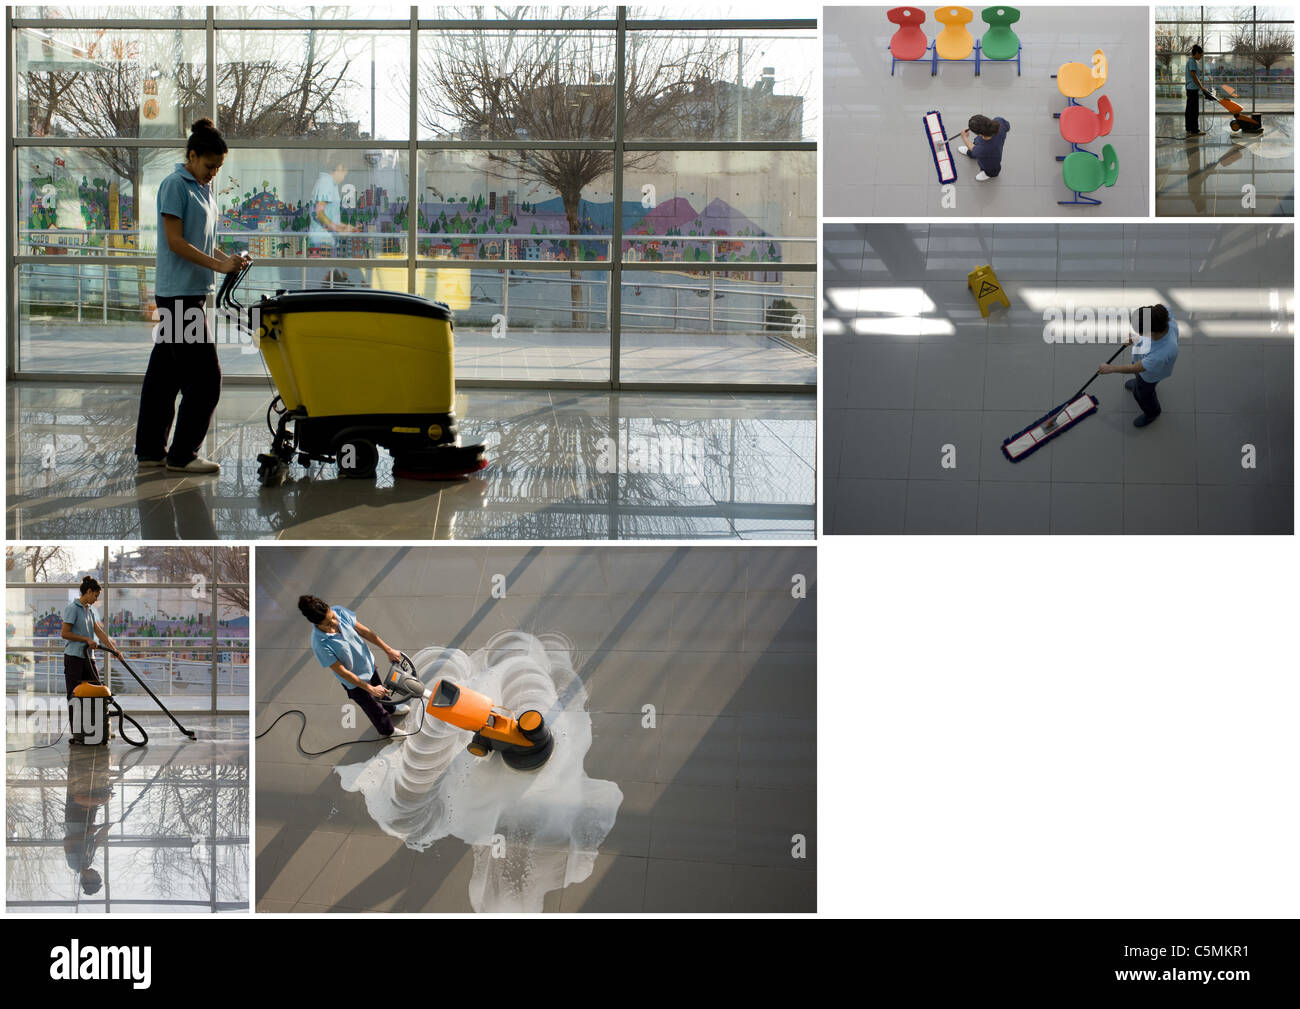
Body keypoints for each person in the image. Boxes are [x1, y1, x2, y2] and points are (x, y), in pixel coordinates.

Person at [135, 118, 251, 476]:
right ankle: (183, 453)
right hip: (178, 296)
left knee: (164, 376)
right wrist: (217, 267)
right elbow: (175, 241)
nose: (214, 172)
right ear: (192, 155)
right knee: (206, 379)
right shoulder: (175, 185)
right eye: (209, 165)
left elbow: (201, 242)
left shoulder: (204, 188)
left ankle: (151, 450)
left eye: (218, 167)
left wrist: (226, 260)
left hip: (190, 293)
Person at [298, 595, 408, 738]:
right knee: (373, 707)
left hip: (368, 665)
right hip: (354, 682)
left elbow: (365, 632)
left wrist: (388, 650)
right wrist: (370, 688)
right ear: (316, 624)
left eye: (332, 616)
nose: (334, 622)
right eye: (328, 622)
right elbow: (342, 672)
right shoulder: (319, 643)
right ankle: (388, 731)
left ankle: (391, 708)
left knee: (382, 689)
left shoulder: (339, 612)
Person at [1098, 305, 1180, 428]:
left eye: (1140, 331)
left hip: (1149, 375)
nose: (1138, 333)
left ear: (1151, 332)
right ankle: (1138, 383)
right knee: (1138, 380)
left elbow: (1136, 368)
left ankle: (1152, 412)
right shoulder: (1163, 314)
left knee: (1142, 394)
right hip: (1144, 364)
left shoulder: (1161, 353)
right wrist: (1136, 339)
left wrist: (1111, 368)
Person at [61, 576, 121, 744]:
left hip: (89, 658)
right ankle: (78, 733)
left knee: (98, 692)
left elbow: (100, 633)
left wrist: (114, 651)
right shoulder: (72, 608)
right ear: (88, 592)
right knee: (75, 695)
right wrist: (86, 639)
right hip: (74, 657)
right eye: (95, 596)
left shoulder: (89, 610)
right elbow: (65, 633)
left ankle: (100, 728)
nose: (96, 600)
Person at [308, 157, 357, 287]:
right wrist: (338, 228)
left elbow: (330, 217)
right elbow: (320, 213)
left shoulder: (331, 185)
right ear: (338, 168)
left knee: (328, 280)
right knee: (323, 281)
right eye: (344, 173)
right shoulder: (325, 182)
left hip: (326, 241)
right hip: (321, 241)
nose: (343, 177)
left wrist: (344, 226)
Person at [958, 114, 1010, 182]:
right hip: (984, 146)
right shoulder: (999, 120)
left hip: (991, 162)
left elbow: (973, 149)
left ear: (979, 134)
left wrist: (964, 138)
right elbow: (1007, 127)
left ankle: (989, 174)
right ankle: (969, 153)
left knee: (991, 169)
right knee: (975, 144)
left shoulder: (983, 149)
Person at [1184, 45, 1207, 138]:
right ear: (1197, 53)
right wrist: (1201, 87)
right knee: (1193, 111)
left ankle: (1189, 129)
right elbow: (1194, 75)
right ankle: (1194, 130)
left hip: (1191, 89)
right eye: (1200, 55)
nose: (1200, 57)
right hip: (1192, 89)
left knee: (1190, 110)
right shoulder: (1192, 62)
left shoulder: (1190, 61)